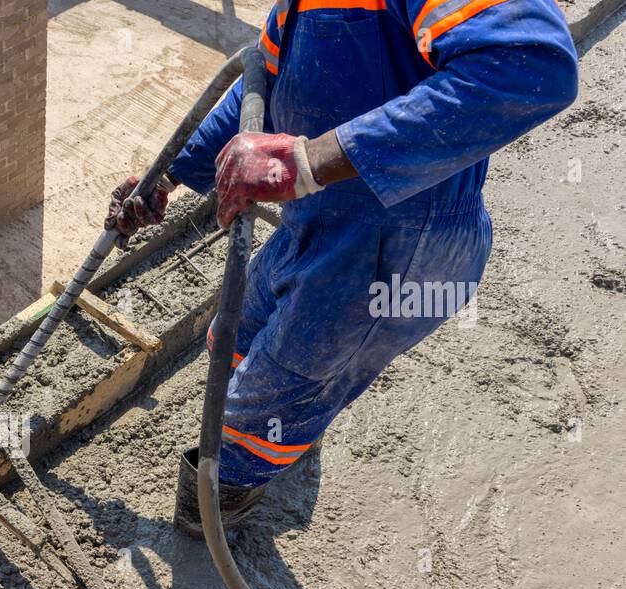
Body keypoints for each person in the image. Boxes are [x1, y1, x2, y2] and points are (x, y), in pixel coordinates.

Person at [106, 0, 578, 536]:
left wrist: (309, 160)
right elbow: (263, 83)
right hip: (316, 217)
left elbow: (532, 67)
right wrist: (168, 174)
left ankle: (215, 519)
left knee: (264, 403)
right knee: (231, 340)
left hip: (398, 247)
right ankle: (288, 432)